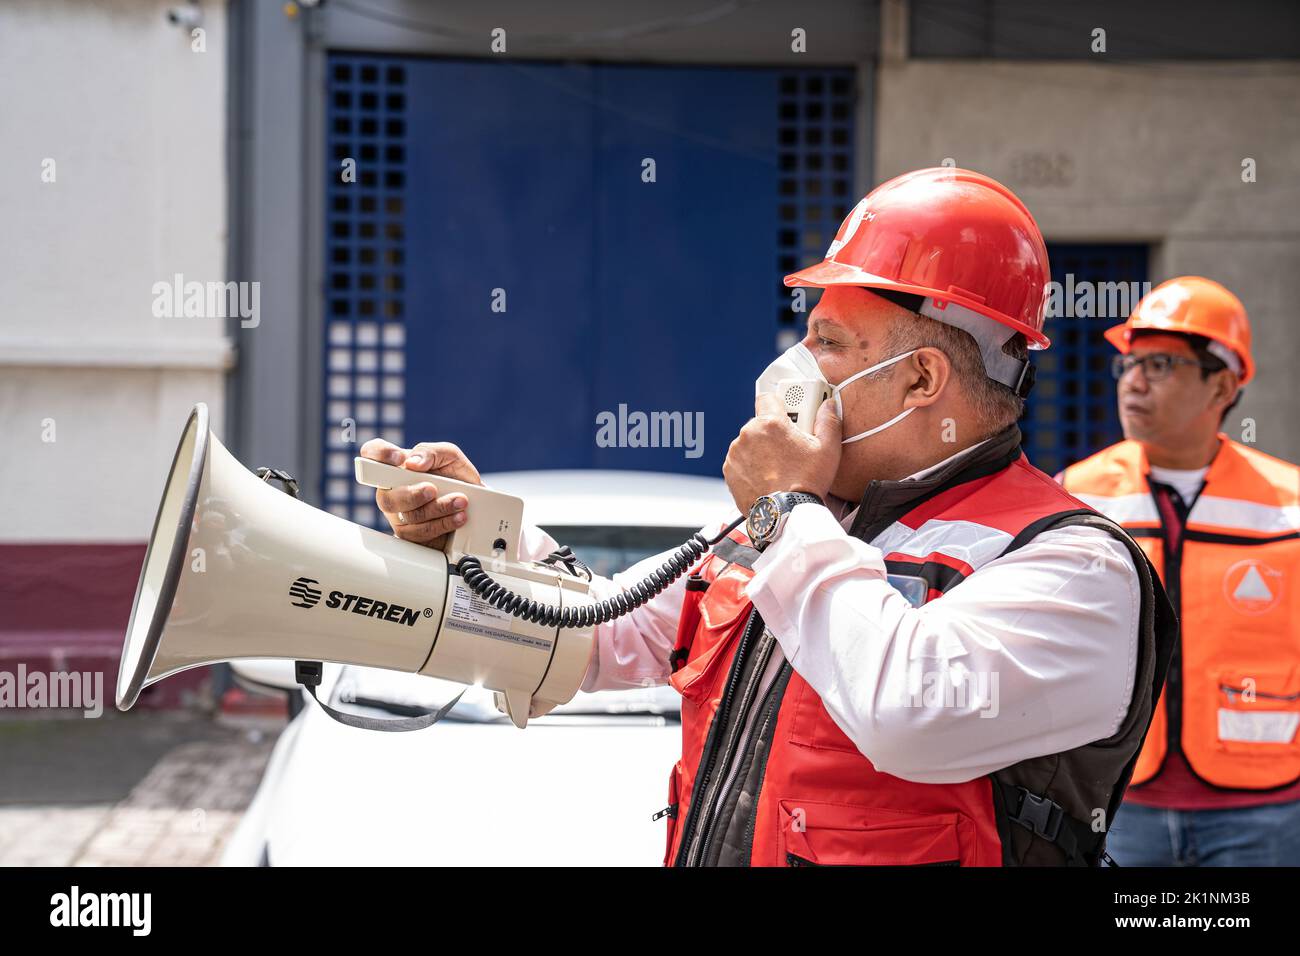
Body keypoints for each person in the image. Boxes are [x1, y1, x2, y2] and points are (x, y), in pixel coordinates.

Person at [362, 167, 1174, 866]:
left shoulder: (1073, 566)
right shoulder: (805, 525)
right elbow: (601, 636)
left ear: (922, 379)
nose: (795, 368)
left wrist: (787, 510)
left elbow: (908, 712)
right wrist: (481, 531)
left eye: (827, 341)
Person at [1059, 276, 1300, 866]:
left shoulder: (1290, 506)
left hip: (1265, 807)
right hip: (1115, 798)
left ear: (1221, 382)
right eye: (1131, 364)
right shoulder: (1075, 497)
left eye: (1161, 365)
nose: (1134, 382)